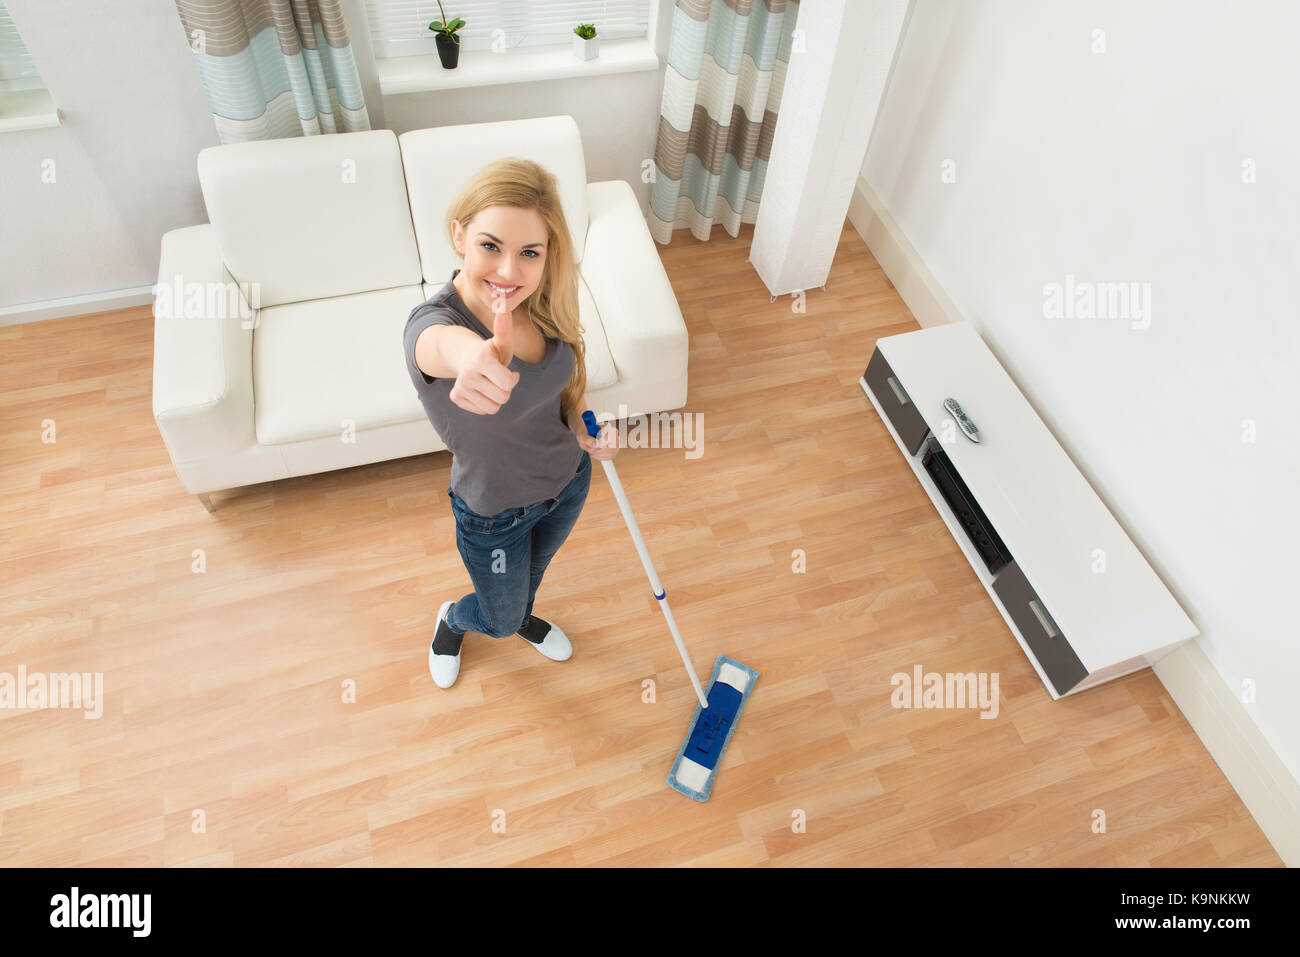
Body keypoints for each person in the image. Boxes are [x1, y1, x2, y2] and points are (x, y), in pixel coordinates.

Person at [403, 157, 619, 690]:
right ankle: (455, 619)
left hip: (568, 484)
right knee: (497, 620)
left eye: (529, 253)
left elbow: (566, 387)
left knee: (529, 583)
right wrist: (473, 359)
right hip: (495, 516)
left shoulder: (544, 302)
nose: (507, 272)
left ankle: (520, 612)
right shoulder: (436, 326)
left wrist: (584, 427)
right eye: (490, 246)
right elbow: (438, 348)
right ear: (459, 235)